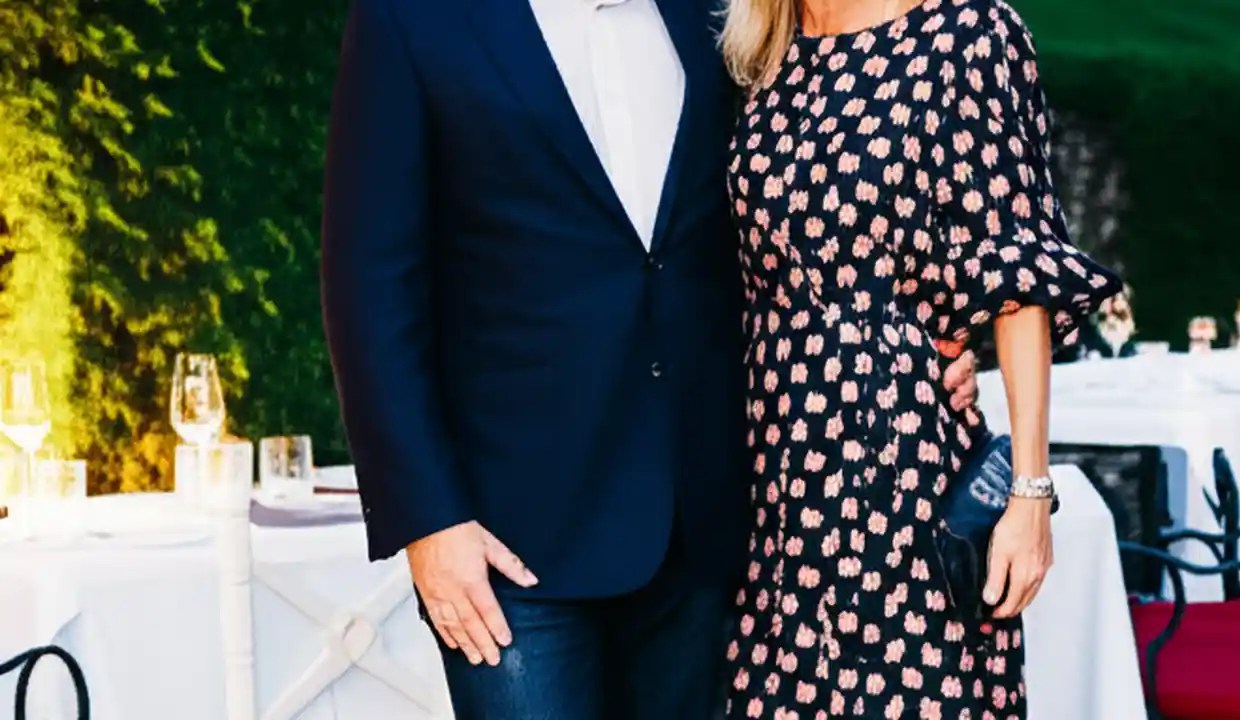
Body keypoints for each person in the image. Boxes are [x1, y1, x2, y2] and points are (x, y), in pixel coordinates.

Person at [321, 0, 980, 717]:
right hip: (509, 541)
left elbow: (804, 196)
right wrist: (427, 519)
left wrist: (920, 332)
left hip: (699, 528)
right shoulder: (412, 18)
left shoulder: (724, 13)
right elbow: (370, 285)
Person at [719, 0, 1123, 717]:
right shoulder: (757, 53)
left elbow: (1016, 275)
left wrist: (1030, 495)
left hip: (901, 465)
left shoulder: (967, 34)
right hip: (772, 479)